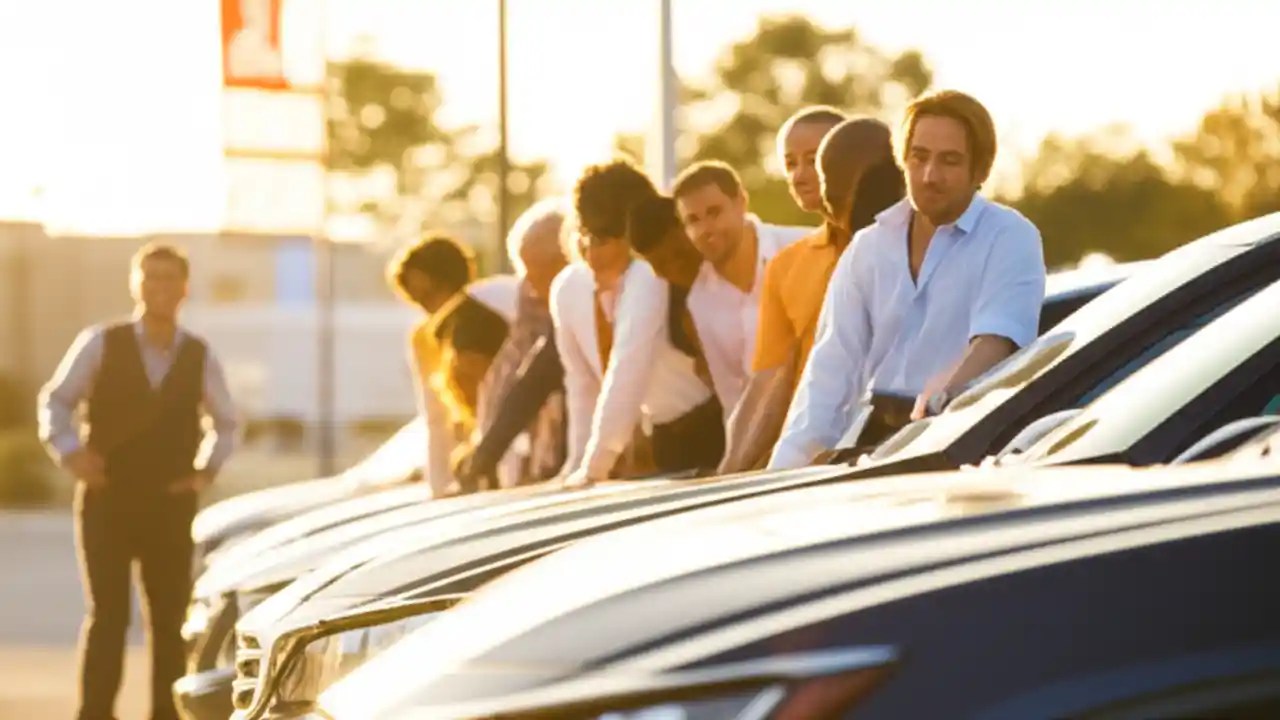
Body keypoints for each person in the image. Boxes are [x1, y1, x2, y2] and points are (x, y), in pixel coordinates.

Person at [770, 90, 1047, 469]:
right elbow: (829, 374)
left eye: (949, 161)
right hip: (867, 447)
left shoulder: (1009, 236)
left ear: (980, 171)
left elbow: (996, 343)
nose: (930, 176)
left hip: (962, 448)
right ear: (903, 161)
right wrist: (782, 475)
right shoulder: (868, 247)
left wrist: (939, 405)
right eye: (919, 158)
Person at [37, 243, 239, 720]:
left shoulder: (198, 354)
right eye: (150, 278)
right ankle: (95, 714)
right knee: (107, 617)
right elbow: (56, 401)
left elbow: (227, 421)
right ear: (136, 284)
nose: (160, 288)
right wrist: (70, 453)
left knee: (169, 622)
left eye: (170, 279)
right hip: (107, 499)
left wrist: (206, 470)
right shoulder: (100, 342)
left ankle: (165, 715)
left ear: (184, 288)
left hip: (169, 504)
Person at [721, 115, 905, 472]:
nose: (802, 174)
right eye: (790, 163)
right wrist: (730, 471)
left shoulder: (910, 245)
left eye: (814, 158)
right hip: (815, 454)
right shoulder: (786, 265)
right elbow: (770, 383)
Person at [553, 159, 721, 487]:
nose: (591, 247)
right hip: (669, 441)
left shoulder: (648, 274)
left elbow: (627, 367)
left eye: (601, 236)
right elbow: (582, 387)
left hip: (708, 430)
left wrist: (591, 470)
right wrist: (574, 467)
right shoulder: (581, 287)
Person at [669, 160, 810, 418]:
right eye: (693, 220)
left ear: (741, 202)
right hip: (768, 440)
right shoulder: (700, 300)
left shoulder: (802, 248)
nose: (706, 229)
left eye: (714, 212)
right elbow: (732, 399)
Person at [454, 198, 570, 491]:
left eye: (538, 277)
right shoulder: (537, 310)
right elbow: (523, 386)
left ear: (565, 262)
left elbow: (537, 380)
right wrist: (484, 456)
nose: (532, 289)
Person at [388, 234, 513, 496]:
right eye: (417, 299)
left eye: (431, 294)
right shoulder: (424, 337)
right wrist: (439, 489)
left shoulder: (493, 316)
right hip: (473, 460)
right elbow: (436, 419)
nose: (431, 308)